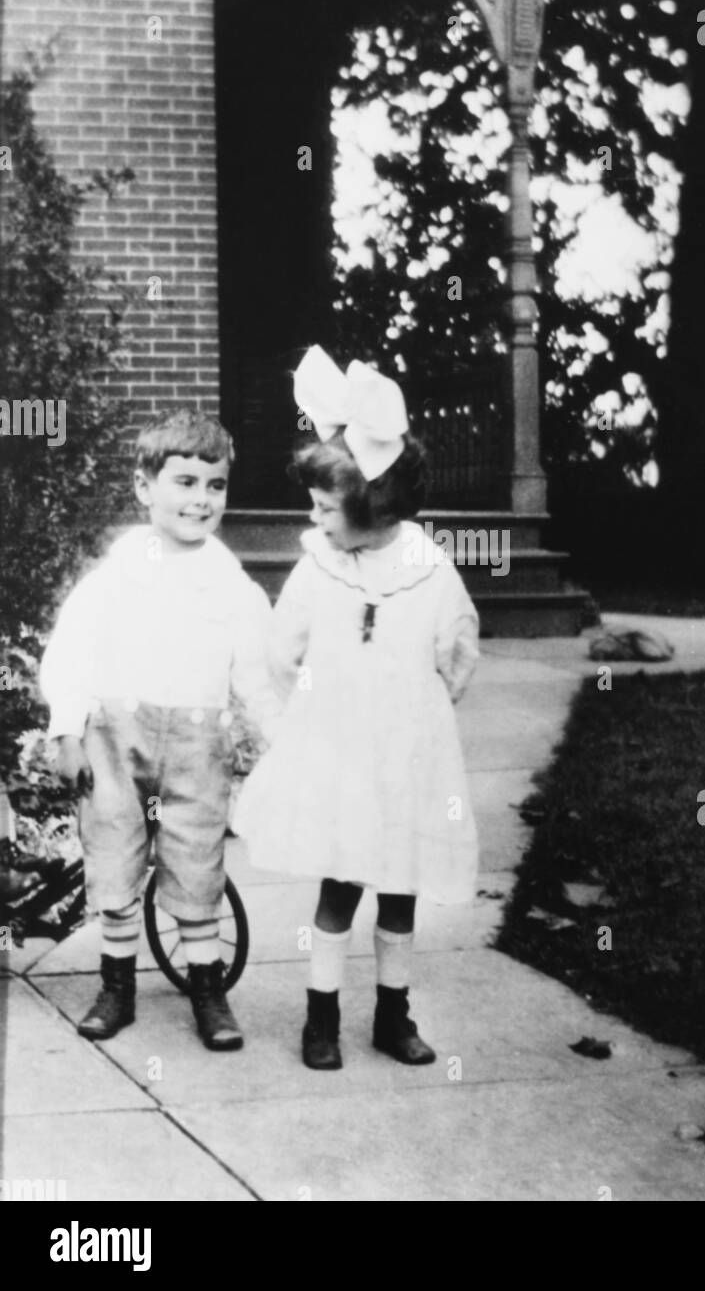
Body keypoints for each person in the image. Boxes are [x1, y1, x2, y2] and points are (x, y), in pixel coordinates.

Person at [232, 347, 479, 1070]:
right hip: (340, 750)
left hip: (406, 753)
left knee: (399, 884)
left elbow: (458, 652)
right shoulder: (319, 567)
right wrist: (297, 724)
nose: (314, 517)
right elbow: (281, 654)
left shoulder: (429, 572)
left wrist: (424, 710)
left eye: (326, 507)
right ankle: (321, 1017)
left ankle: (392, 1015)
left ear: (373, 506)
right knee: (339, 880)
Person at [40, 410, 281, 1051]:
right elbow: (69, 655)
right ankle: (116, 984)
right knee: (116, 855)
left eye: (215, 485)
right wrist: (67, 731)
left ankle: (207, 986)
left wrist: (284, 745)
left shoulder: (232, 588)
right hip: (116, 740)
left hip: (198, 746)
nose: (201, 500)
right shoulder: (114, 579)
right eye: (184, 482)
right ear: (146, 487)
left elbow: (257, 679)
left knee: (197, 862)